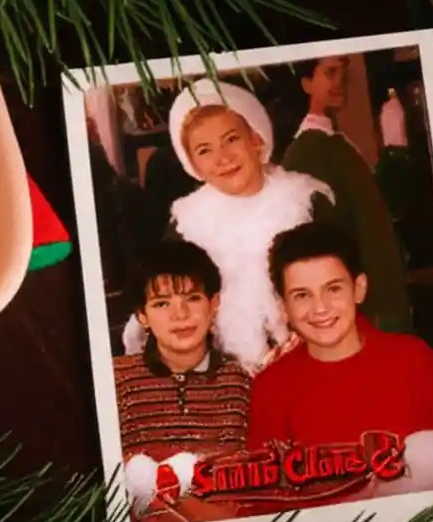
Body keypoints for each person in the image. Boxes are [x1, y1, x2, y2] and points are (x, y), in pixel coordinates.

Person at [246, 222, 433, 506]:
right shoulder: (271, 386)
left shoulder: (411, 358)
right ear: (283, 307)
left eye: (333, 289)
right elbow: (265, 497)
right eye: (302, 295)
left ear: (359, 288)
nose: (320, 308)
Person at [121, 79, 334, 373]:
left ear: (256, 139)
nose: (223, 158)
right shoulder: (185, 223)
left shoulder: (307, 202)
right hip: (223, 371)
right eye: (205, 150)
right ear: (192, 164)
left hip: (309, 355)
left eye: (231, 139)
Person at [114, 241, 251, 522]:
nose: (180, 315)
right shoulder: (116, 380)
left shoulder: (242, 380)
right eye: (162, 303)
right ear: (142, 316)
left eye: (192, 298)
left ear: (214, 304)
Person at [282, 55, 414, 335]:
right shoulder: (309, 150)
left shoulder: (333, 141)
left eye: (343, 74)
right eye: (330, 73)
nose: (339, 83)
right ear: (307, 83)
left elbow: (370, 209)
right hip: (359, 306)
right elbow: (318, 241)